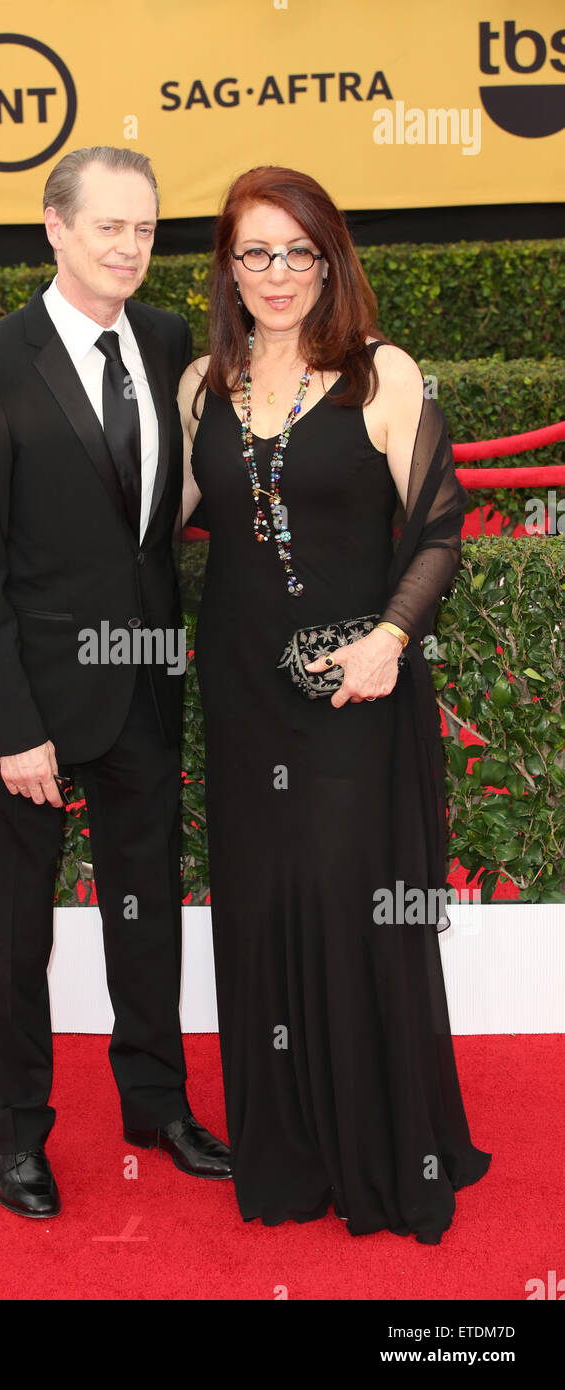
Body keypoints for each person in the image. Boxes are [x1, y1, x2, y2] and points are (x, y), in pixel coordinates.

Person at [177, 165, 491, 1243]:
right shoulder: (197, 385)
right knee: (261, 904)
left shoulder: (380, 375)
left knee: (352, 903)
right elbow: (159, 518)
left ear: (329, 260)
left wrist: (389, 638)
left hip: (354, 688)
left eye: (297, 252)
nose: (276, 274)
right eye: (254, 252)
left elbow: (440, 524)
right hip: (240, 690)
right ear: (226, 264)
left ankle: (381, 1150)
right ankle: (286, 1152)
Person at [0, 146, 231, 1220]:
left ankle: (155, 1103)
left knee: (146, 909)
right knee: (17, 929)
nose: (128, 247)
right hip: (32, 704)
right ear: (53, 227)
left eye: (145, 229)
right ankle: (15, 1130)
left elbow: (163, 519)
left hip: (145, 685)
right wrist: (11, 726)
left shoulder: (162, 342)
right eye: (108, 226)